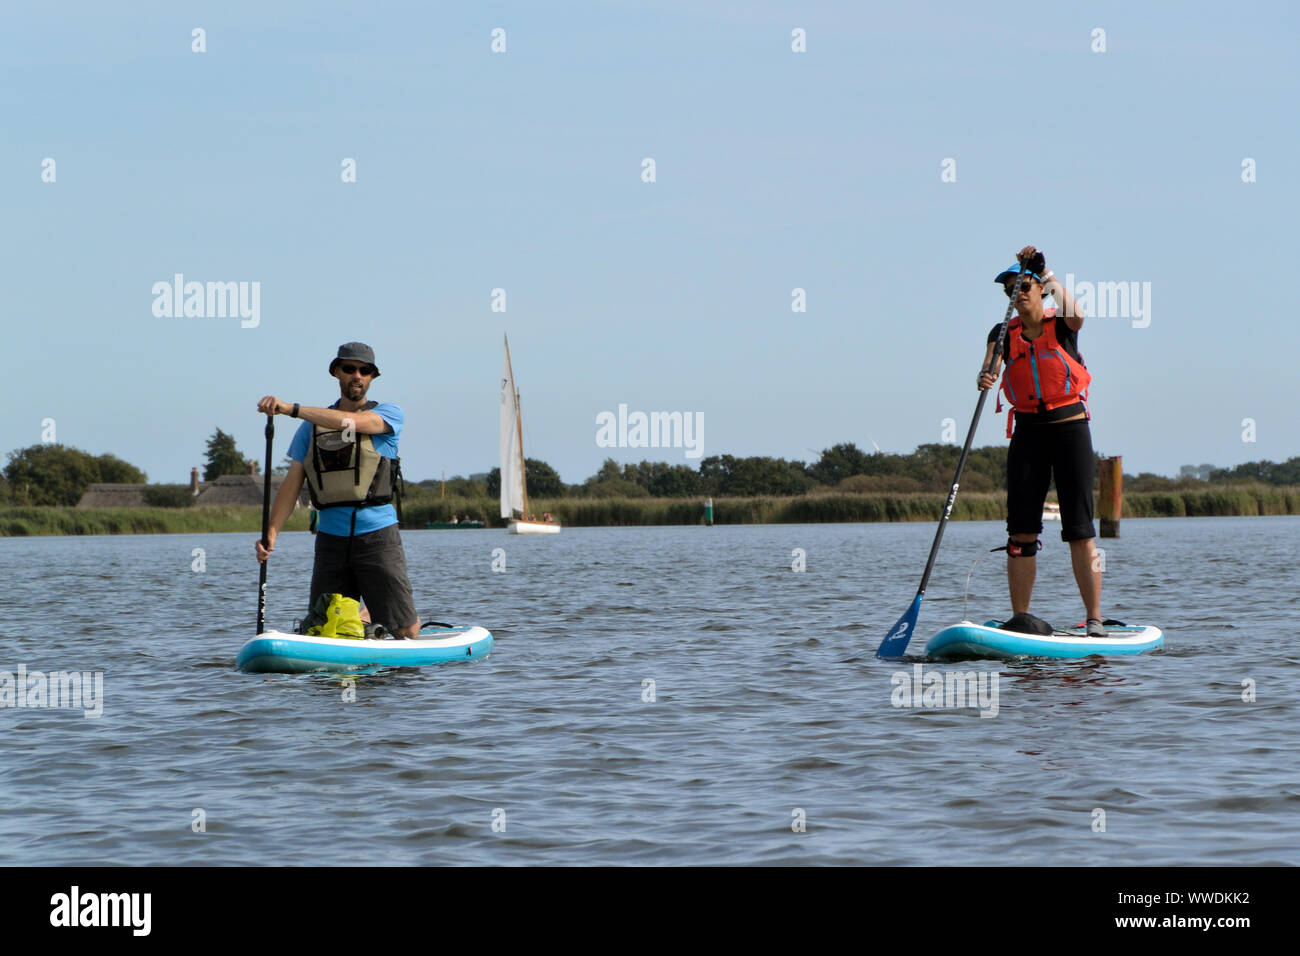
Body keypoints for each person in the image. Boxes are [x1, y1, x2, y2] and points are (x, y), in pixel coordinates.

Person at [977, 247, 1107, 637]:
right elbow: (990, 367)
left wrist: (1046, 272)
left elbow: (1078, 314)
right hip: (1028, 433)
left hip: (1070, 429)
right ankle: (1021, 618)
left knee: (1080, 530)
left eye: (1024, 286)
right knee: (1020, 532)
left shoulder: (1061, 323)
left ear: (1039, 290)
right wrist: (984, 376)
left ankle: (1095, 618)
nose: (1017, 294)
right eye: (1011, 290)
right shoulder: (1002, 333)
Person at [254, 342, 421, 638]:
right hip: (331, 541)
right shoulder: (310, 429)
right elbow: (292, 484)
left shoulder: (388, 415)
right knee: (323, 629)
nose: (357, 375)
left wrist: (291, 409)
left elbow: (350, 422)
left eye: (365, 370)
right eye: (349, 369)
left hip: (378, 537)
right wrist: (271, 533)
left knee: (405, 631)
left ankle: (371, 614)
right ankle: (360, 616)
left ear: (371, 377)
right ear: (336, 373)